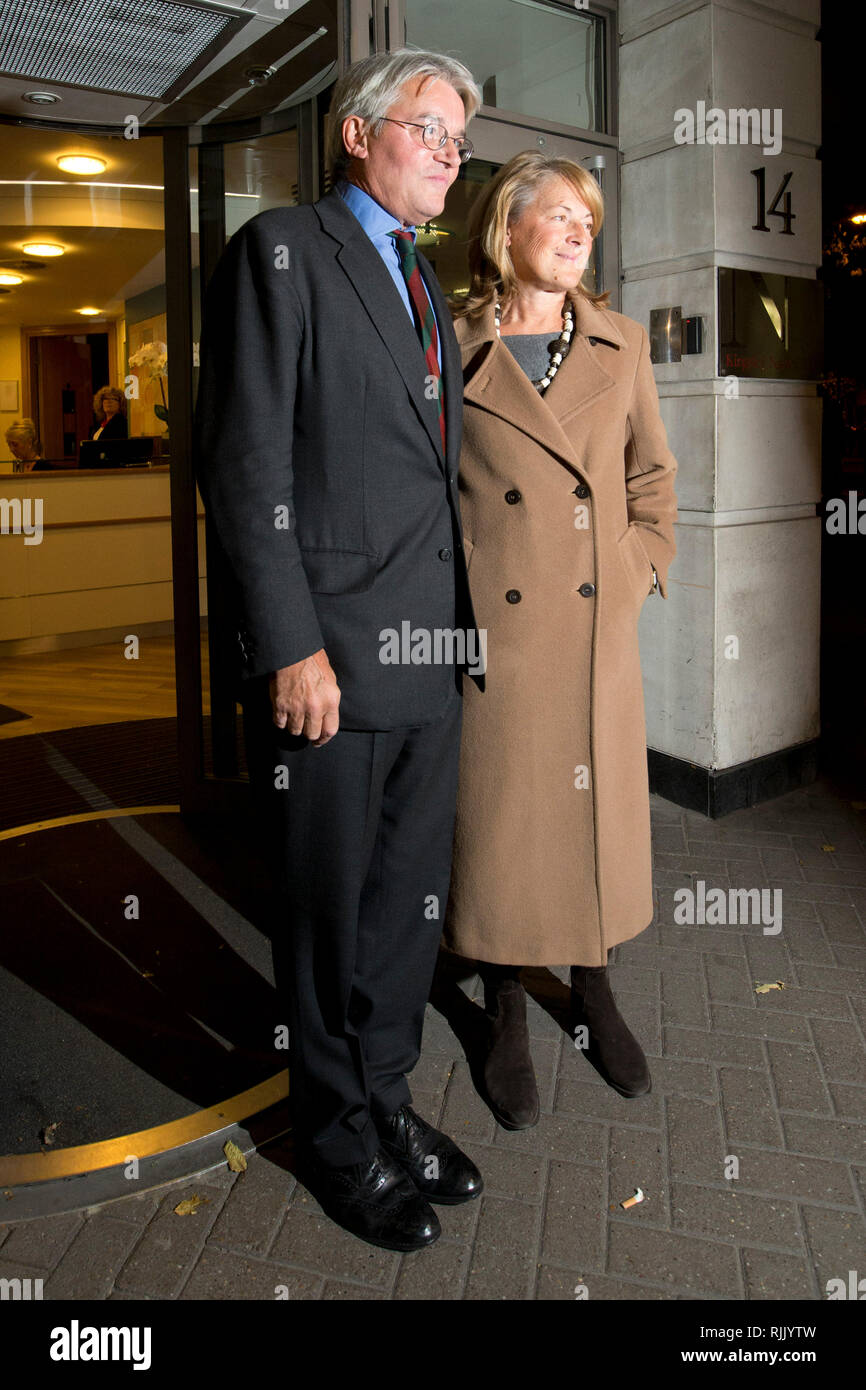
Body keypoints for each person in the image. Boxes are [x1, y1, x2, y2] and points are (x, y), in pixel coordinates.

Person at [193, 48, 485, 1252]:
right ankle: (332, 1136)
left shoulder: (421, 283)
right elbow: (245, 462)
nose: (448, 156)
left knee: (404, 914)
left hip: (427, 654)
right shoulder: (282, 250)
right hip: (334, 661)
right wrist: (291, 648)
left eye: (460, 143)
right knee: (326, 915)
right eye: (430, 130)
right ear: (359, 132)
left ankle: (386, 1102)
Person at [444, 151, 678, 1128]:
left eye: (588, 218)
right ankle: (501, 1003)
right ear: (506, 229)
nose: (580, 231)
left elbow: (651, 484)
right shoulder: (447, 342)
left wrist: (627, 579)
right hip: (492, 635)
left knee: (592, 821)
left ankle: (593, 991)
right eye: (560, 214)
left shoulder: (621, 344)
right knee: (500, 826)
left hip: (588, 630)